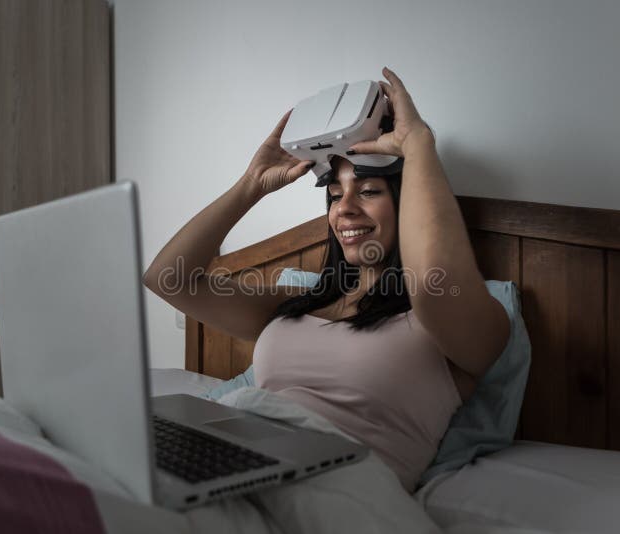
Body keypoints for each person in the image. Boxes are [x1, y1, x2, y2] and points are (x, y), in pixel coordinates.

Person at [143, 67, 510, 493]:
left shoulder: (461, 318)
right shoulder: (299, 303)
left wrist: (418, 144)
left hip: (334, 489)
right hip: (233, 465)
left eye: (369, 191)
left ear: (407, 201)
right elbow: (168, 279)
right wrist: (251, 184)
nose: (345, 209)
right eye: (335, 195)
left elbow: (429, 280)